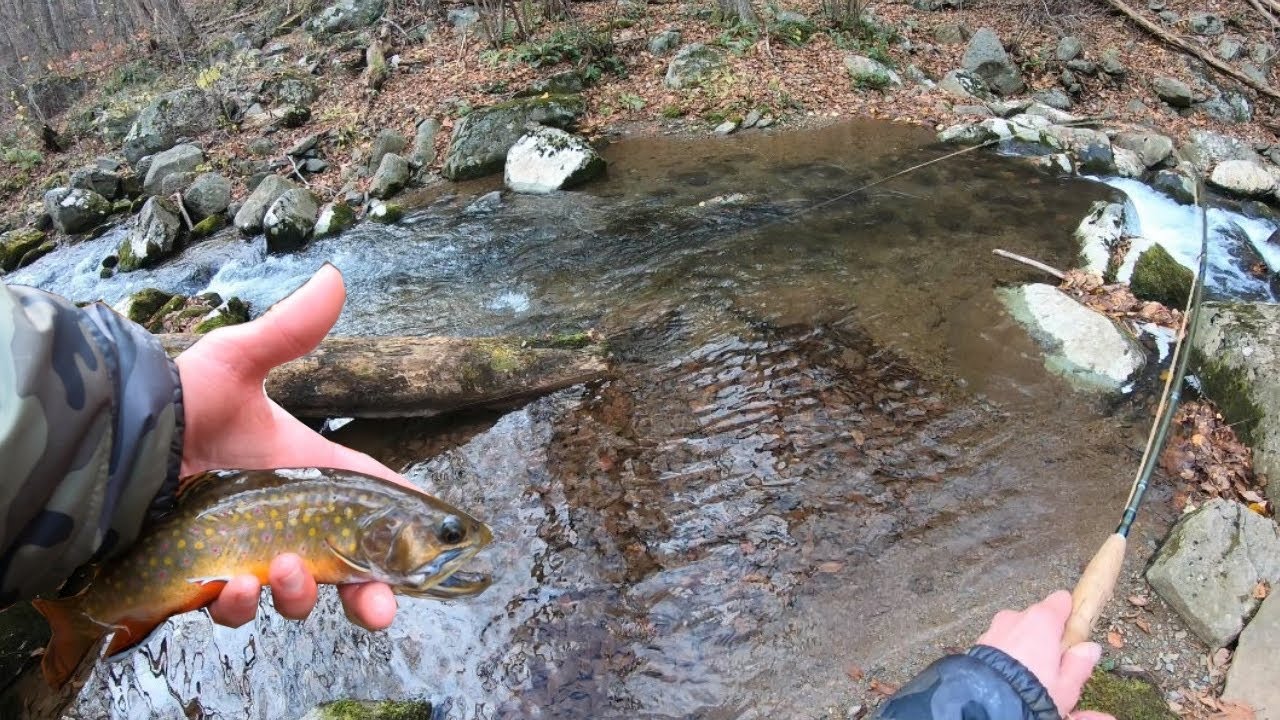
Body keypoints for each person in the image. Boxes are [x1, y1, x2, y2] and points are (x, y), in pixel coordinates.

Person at [1, 265, 1115, 718]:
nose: (453, 545)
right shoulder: (364, 534)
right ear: (376, 537)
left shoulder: (355, 532)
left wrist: (127, 441)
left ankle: (75, 615)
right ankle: (74, 619)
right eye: (439, 533)